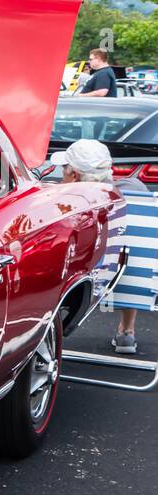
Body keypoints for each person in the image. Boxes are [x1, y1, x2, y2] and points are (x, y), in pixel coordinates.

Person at [53, 138, 145, 353]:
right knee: (129, 255)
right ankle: (126, 331)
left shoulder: (65, 206)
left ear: (74, 174)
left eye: (64, 170)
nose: (61, 174)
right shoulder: (132, 196)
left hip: (78, 286)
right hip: (121, 279)